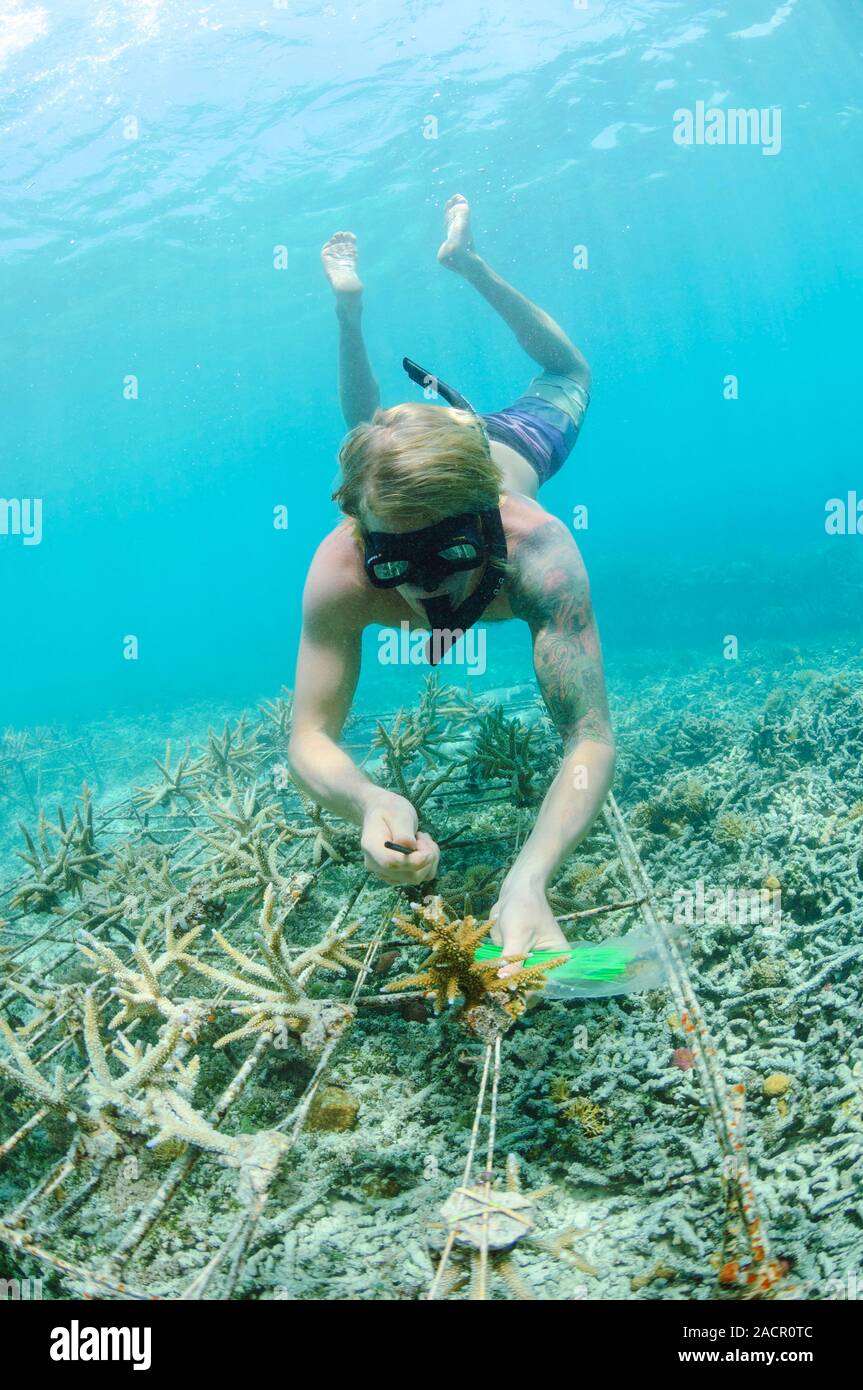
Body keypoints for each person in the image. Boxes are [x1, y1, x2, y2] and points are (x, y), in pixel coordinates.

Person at [288, 194, 614, 967]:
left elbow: (589, 736)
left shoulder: (536, 547)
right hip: (396, 475)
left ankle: (468, 265)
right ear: (365, 539)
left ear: (488, 527)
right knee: (366, 440)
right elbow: (307, 738)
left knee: (569, 371)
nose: (423, 592)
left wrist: (531, 875)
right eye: (394, 565)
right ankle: (349, 315)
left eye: (451, 560)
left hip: (494, 451)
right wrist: (369, 801)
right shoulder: (344, 561)